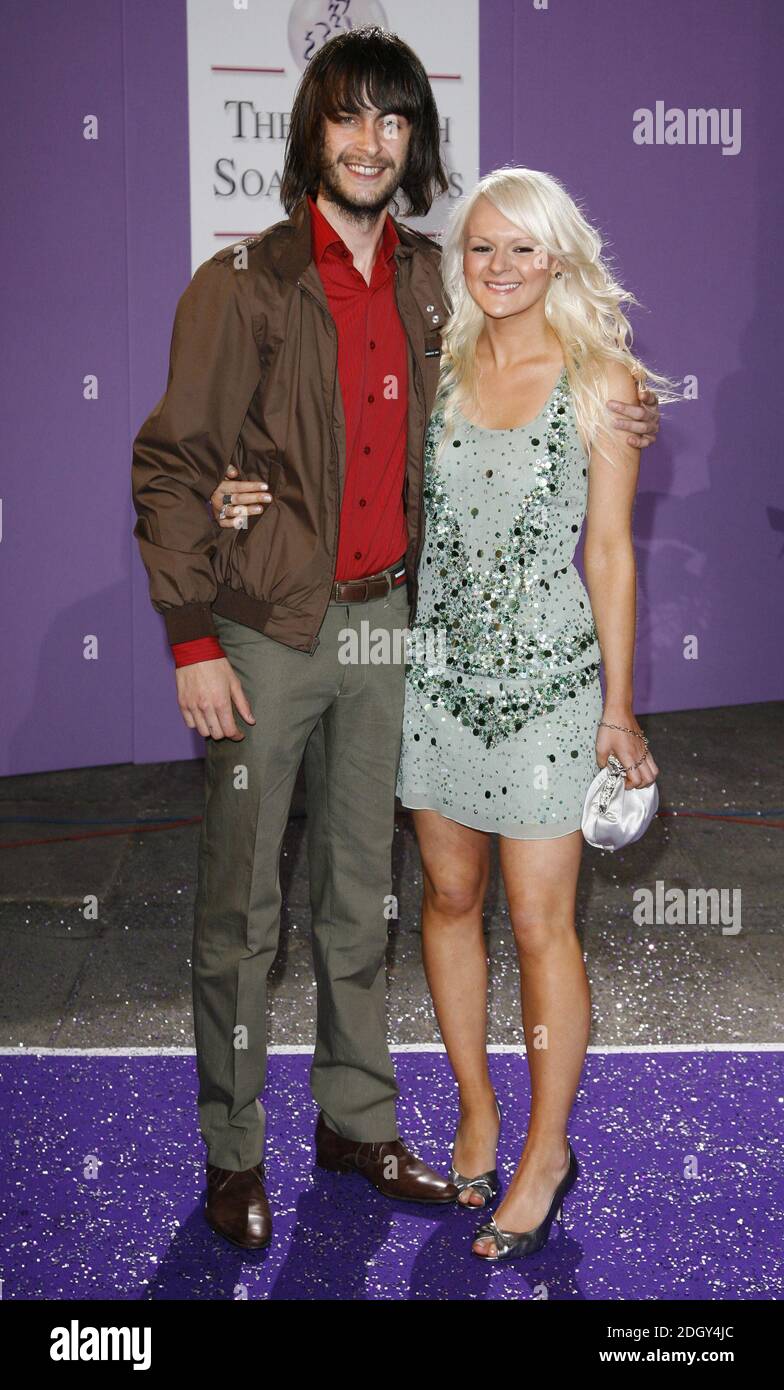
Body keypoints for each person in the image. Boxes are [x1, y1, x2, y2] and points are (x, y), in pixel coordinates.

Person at [134, 27, 661, 1252]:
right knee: (241, 911)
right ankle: (234, 1149)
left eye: (393, 122)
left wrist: (615, 381)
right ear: (311, 134)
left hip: (398, 642)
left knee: (362, 903)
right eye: (346, 119)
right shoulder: (244, 281)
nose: (370, 143)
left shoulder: (439, 284)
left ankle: (357, 1122)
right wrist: (189, 633)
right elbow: (172, 464)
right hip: (266, 634)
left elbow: (551, 386)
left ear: (414, 143)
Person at [395, 167, 675, 1260]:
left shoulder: (604, 381)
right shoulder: (442, 365)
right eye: (480, 249)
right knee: (449, 898)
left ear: (559, 256)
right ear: (458, 263)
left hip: (551, 691)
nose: (500, 267)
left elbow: (608, 551)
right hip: (439, 684)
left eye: (522, 248)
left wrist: (620, 705)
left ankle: (546, 1149)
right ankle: (475, 1107)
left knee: (540, 923)